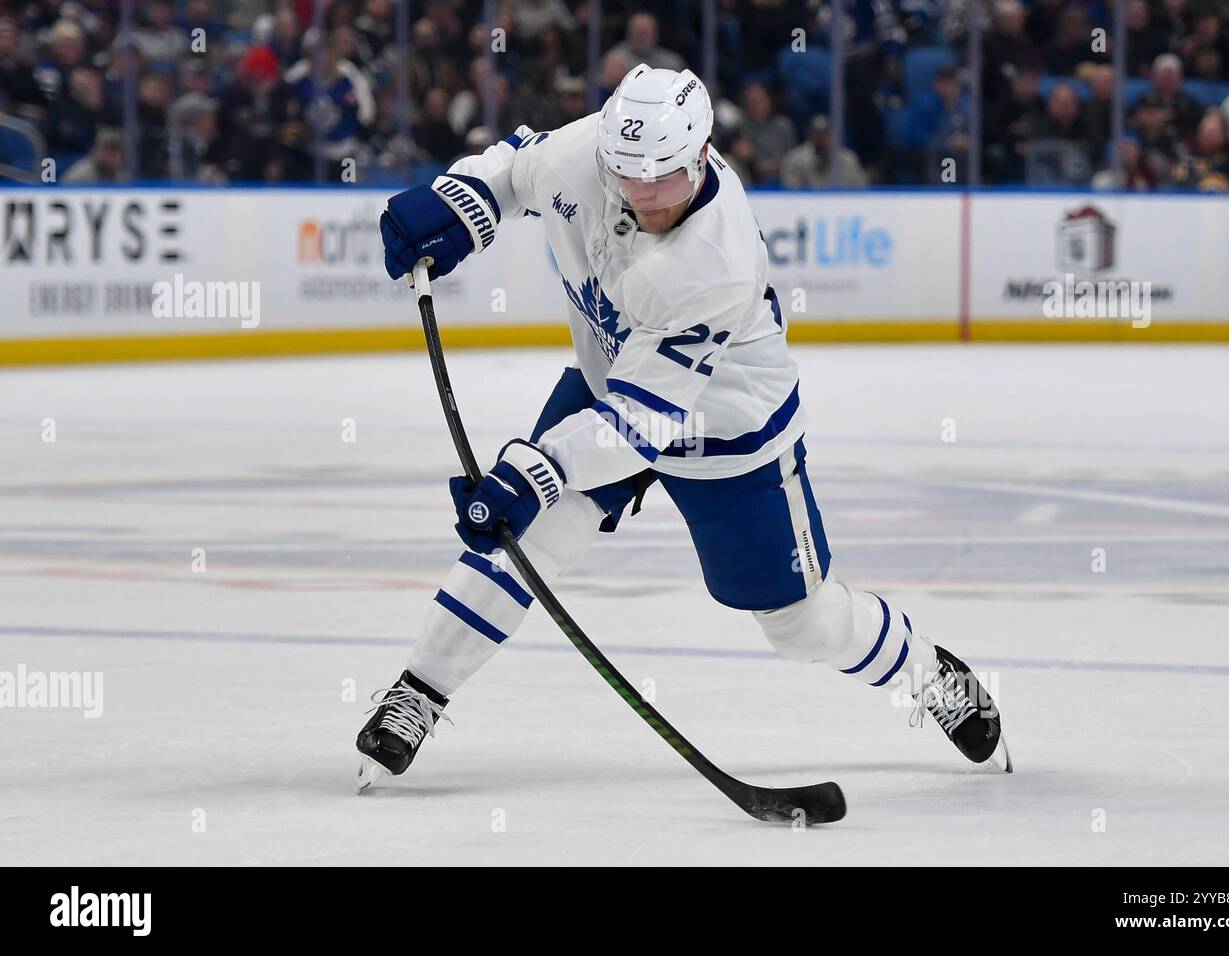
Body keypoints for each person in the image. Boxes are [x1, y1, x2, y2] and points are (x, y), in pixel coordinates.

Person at [356, 65, 1010, 789]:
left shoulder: (713, 261)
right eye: (627, 177)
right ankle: (420, 690)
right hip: (614, 382)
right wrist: (461, 202)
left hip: (726, 430)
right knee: (524, 538)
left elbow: (642, 422)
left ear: (700, 156)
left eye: (663, 180)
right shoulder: (584, 155)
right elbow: (513, 170)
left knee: (804, 626)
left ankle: (926, 673)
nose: (644, 196)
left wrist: (536, 471)